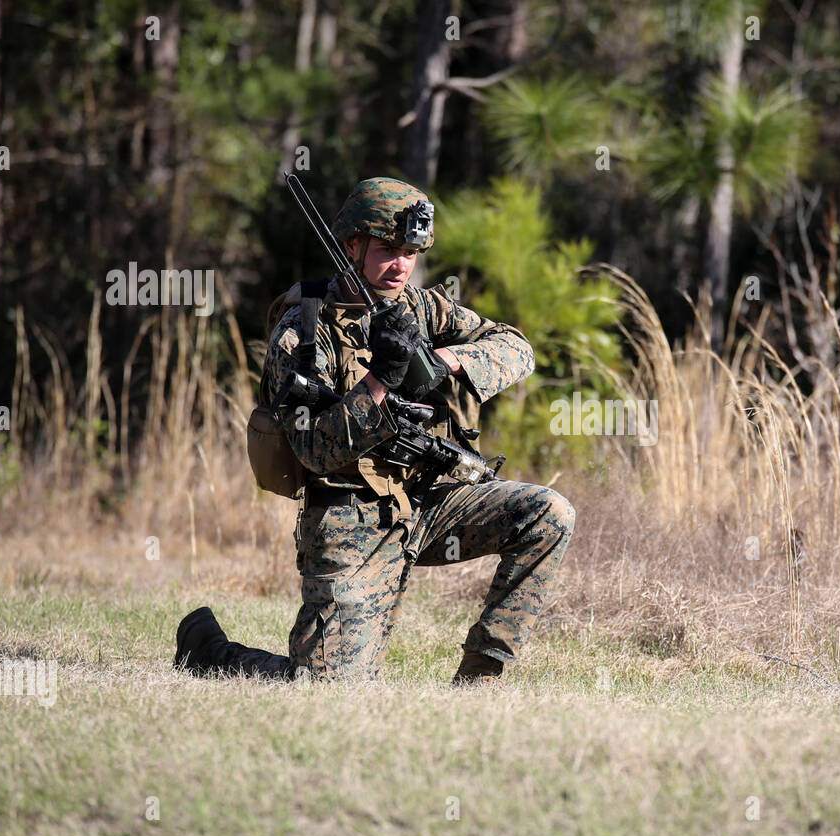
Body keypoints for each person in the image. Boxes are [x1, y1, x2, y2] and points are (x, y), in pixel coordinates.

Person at [174, 177, 575, 686]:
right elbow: (313, 450)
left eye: (410, 252)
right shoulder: (302, 332)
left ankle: (481, 677)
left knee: (549, 514)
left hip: (432, 501)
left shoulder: (421, 308)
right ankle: (210, 652)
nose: (401, 265)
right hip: (350, 518)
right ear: (351, 246)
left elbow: (517, 347)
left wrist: (446, 361)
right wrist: (381, 379)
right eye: (387, 250)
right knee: (326, 689)